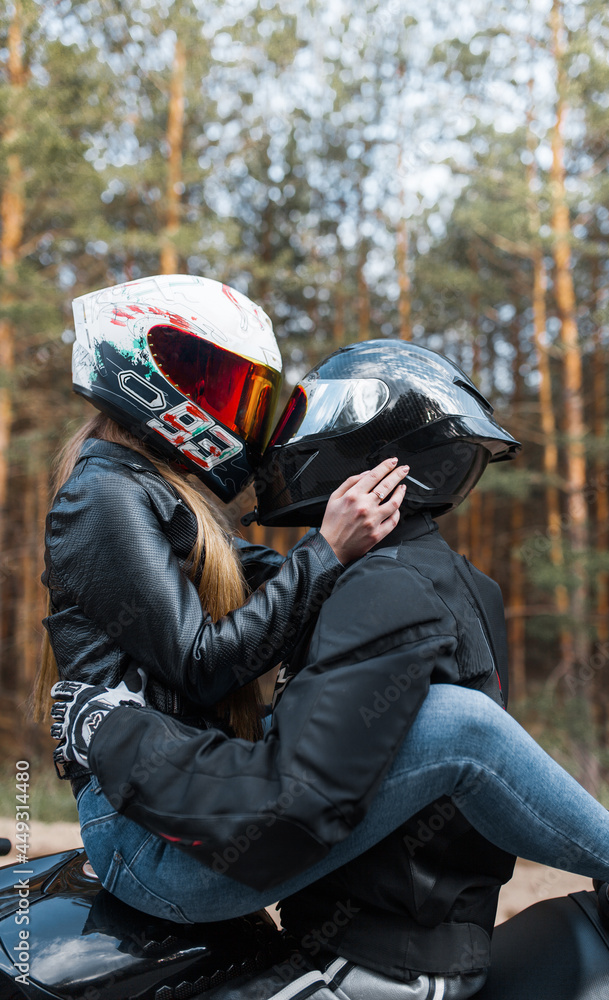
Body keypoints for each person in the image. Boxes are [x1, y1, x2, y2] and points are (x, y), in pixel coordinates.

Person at [52, 341, 609, 1000]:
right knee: (447, 729)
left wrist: (105, 733)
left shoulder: (380, 586)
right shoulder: (449, 582)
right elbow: (264, 707)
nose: (272, 431)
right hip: (202, 851)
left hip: (249, 881)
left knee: (452, 726)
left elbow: (284, 781)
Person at [35, 273, 409, 914]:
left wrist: (375, 567)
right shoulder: (103, 495)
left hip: (185, 778)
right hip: (140, 822)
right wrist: (327, 550)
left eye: (249, 397)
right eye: (223, 389)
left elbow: (255, 572)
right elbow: (200, 663)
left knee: (388, 728)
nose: (238, 414)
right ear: (152, 372)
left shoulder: (157, 491)